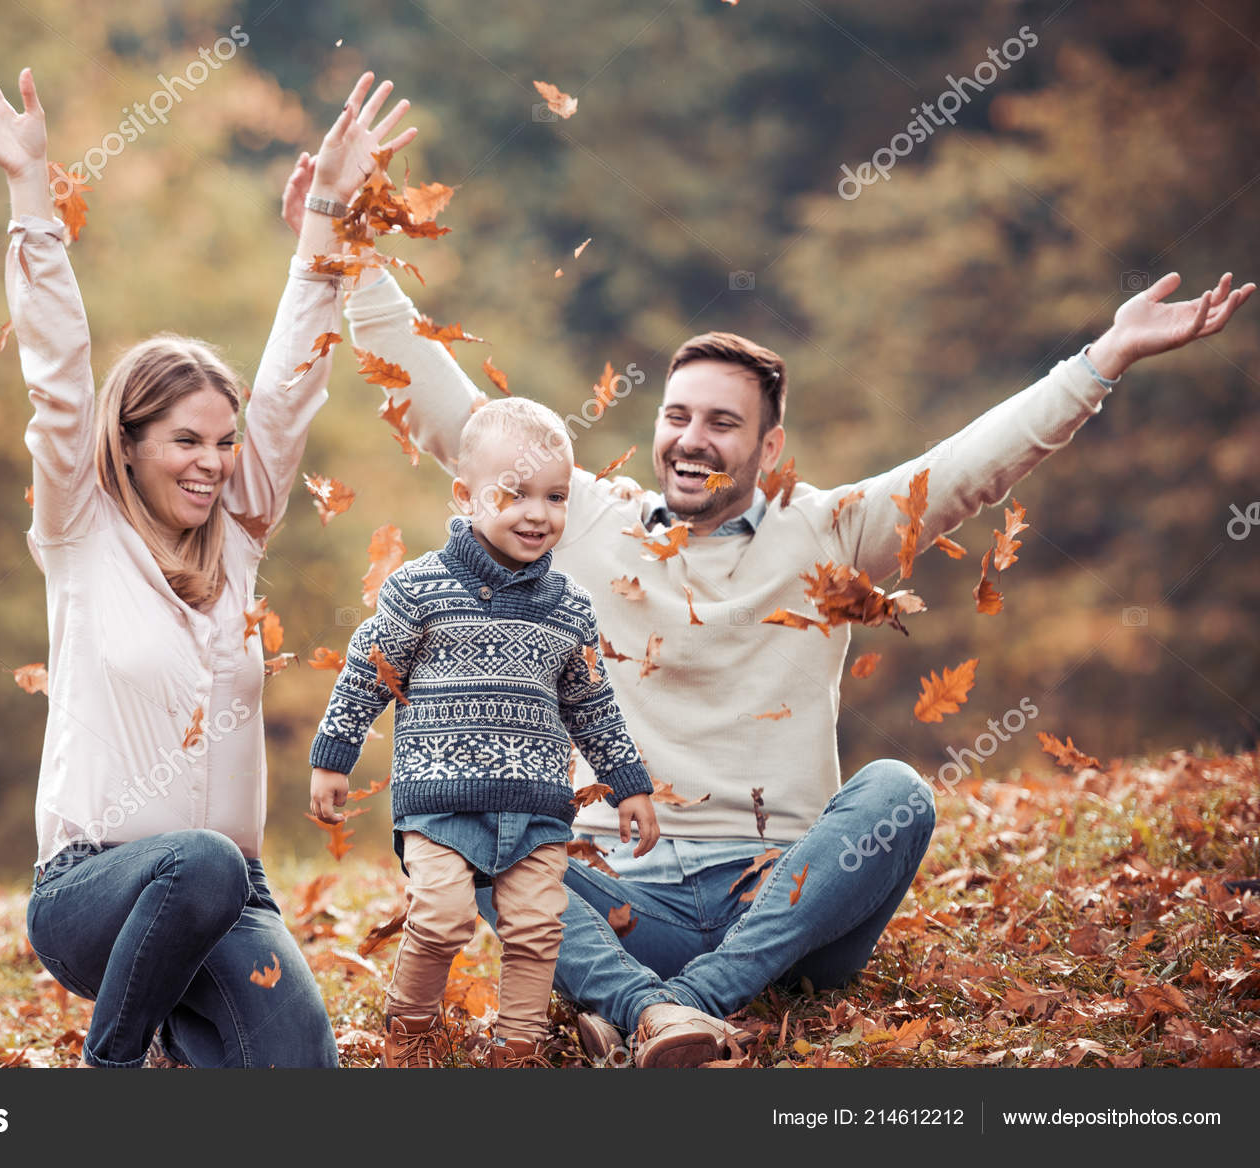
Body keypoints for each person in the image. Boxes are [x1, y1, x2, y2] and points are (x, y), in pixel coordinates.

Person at [277, 155, 1254, 1066]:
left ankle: (669, 1002)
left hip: (781, 907)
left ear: (770, 446)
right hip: (625, 894)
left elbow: (964, 471)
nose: (690, 439)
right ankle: (655, 1004)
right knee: (484, 826)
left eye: (721, 422)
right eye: (675, 415)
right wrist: (344, 252)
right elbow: (457, 419)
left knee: (896, 795)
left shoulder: (826, 532)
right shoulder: (580, 519)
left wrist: (1103, 359)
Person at [0, 58, 417, 1068]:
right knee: (193, 862)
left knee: (304, 1068)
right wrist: (30, 191)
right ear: (133, 441)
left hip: (233, 895)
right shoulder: (77, 529)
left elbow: (287, 389)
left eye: (221, 442)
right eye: (186, 440)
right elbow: (60, 378)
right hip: (91, 891)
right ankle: (111, 1068)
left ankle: (181, 1055)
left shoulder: (236, 538)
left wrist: (327, 217)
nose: (211, 462)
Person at [308, 398, 661, 1067]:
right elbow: (368, 669)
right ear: (465, 495)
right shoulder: (418, 590)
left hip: (534, 808)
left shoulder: (570, 608)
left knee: (536, 930)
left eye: (555, 496)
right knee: (443, 918)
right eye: (514, 493)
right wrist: (334, 757)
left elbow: (593, 706)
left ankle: (517, 1049)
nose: (537, 513)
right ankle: (409, 1037)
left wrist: (628, 785)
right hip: (440, 800)